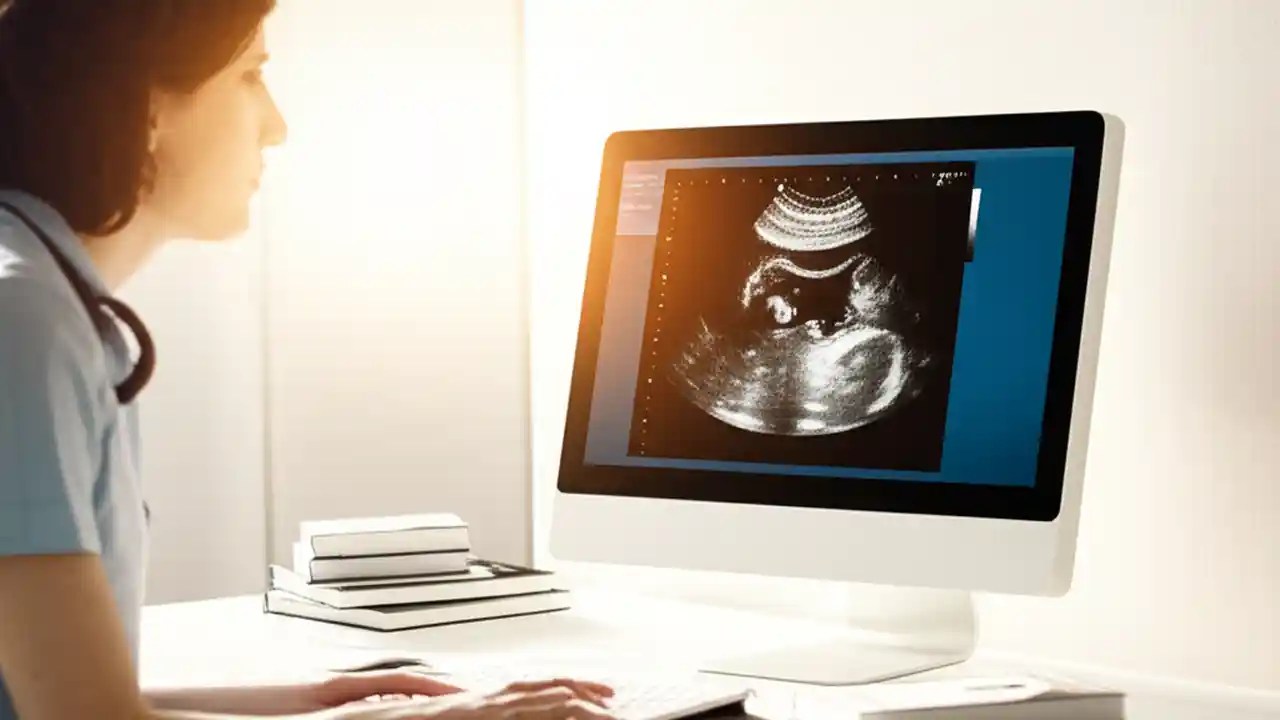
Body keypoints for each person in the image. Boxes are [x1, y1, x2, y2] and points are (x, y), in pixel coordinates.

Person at [0, 2, 615, 718]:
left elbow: (64, 691)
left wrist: (313, 700)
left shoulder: (43, 302)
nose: (277, 126)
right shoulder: (24, 323)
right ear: (146, 104)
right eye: (251, 76)